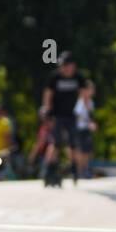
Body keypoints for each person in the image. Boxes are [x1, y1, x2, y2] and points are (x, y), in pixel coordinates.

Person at [41, 51, 81, 187]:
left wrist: (85, 112)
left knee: (72, 144)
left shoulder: (77, 77)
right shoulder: (55, 78)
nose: (64, 69)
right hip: (56, 115)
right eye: (62, 66)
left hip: (71, 115)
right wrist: (47, 111)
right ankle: (48, 169)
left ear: (73, 66)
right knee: (56, 143)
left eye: (66, 66)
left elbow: (84, 94)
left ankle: (74, 168)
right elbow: (48, 95)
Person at [73, 79, 97, 179]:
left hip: (86, 129)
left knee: (87, 151)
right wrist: (89, 124)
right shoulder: (80, 103)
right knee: (81, 151)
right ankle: (79, 171)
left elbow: (90, 116)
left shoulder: (90, 102)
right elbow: (78, 116)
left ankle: (86, 170)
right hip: (79, 129)